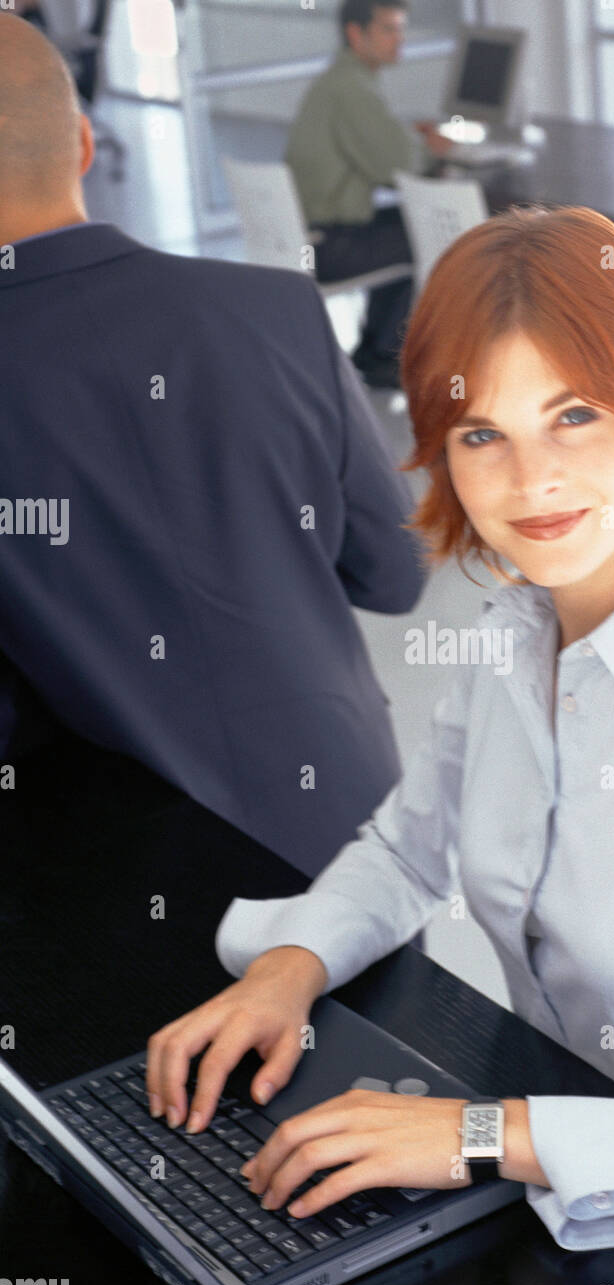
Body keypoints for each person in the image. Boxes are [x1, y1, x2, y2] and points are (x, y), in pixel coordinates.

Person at [145, 204, 614, 1254]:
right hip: (541, 1192)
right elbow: (407, 849)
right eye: (481, 435)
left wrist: (486, 1135)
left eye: (573, 416)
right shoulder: (514, 633)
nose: (530, 482)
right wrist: (293, 963)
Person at [0, 15, 426, 883]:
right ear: (84, 145)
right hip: (350, 835)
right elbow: (395, 572)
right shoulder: (278, 311)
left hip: (121, 878)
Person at [285, 0, 457, 391]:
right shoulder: (352, 89)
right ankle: (382, 354)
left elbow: (379, 151)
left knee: (405, 222)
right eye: (389, 30)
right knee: (425, 232)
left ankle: (375, 349)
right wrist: (434, 148)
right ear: (355, 34)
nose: (400, 40)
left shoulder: (340, 81)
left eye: (401, 29)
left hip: (314, 235)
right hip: (328, 244)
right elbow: (397, 168)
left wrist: (412, 141)